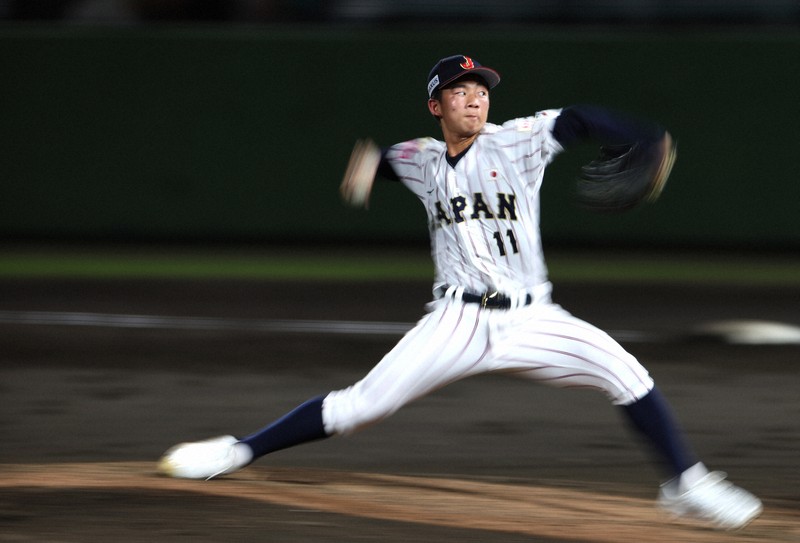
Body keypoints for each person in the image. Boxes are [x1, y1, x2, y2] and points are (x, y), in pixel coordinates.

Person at [159, 54, 763, 531]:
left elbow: (576, 119)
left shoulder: (517, 142)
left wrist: (646, 136)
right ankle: (236, 451)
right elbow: (391, 160)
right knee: (359, 408)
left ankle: (686, 484)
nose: (475, 96)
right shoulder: (421, 158)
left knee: (627, 374)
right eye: (460, 89)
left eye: (481, 88)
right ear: (436, 105)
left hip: (534, 319)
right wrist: (368, 166)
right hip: (456, 322)